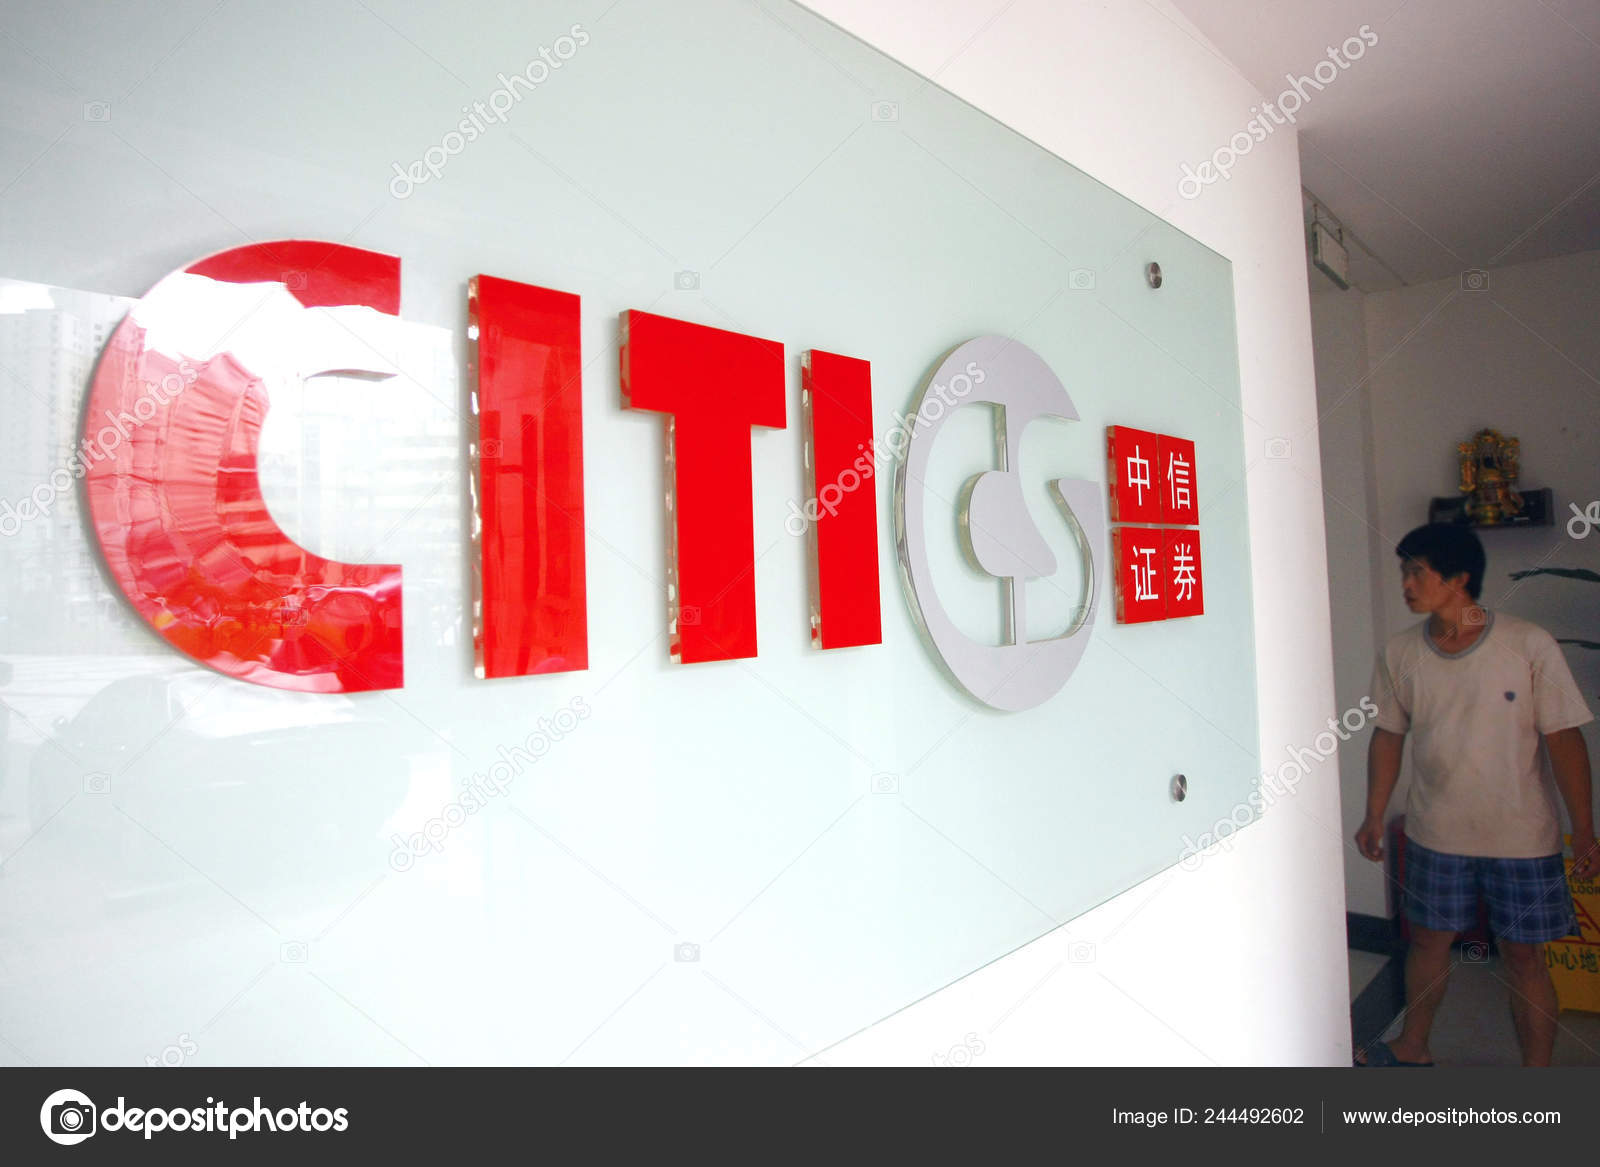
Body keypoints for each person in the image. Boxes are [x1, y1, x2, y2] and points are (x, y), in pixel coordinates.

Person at [1354, 522, 1597, 1067]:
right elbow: (1389, 734)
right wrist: (1374, 814)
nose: (1406, 583)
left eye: (1416, 571)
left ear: (1459, 578)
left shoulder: (1527, 643)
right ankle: (1413, 1047)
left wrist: (1583, 829)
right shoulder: (1399, 653)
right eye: (1403, 571)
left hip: (1523, 838)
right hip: (1435, 833)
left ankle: (1536, 1076)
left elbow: (1564, 739)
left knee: (1525, 958)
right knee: (1428, 944)